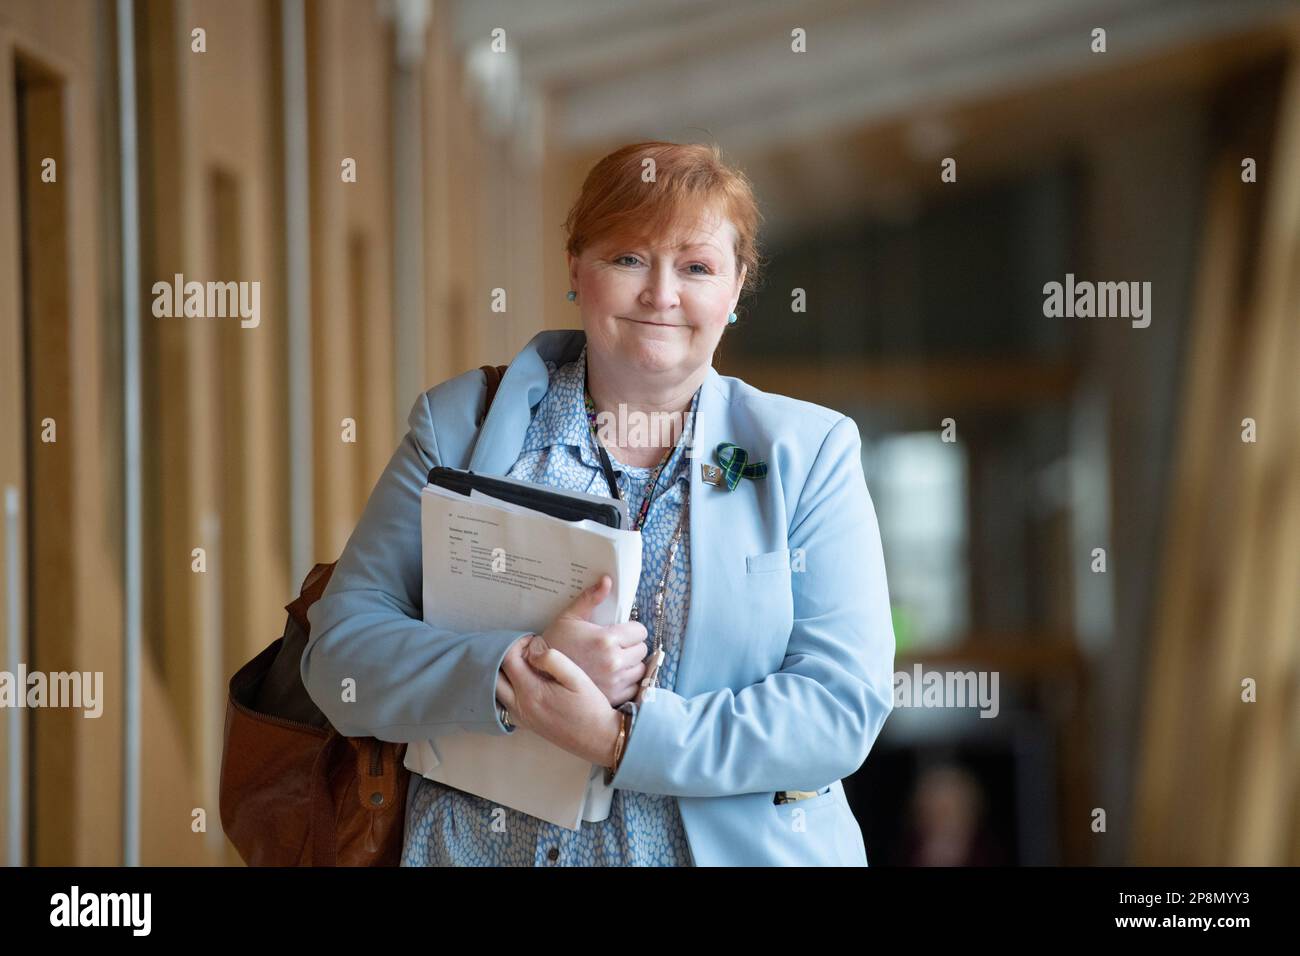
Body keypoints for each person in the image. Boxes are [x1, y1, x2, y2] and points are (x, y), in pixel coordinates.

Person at [301, 141, 896, 866]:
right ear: (576, 269)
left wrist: (620, 739)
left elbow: (839, 710)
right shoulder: (460, 426)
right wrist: (517, 670)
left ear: (736, 289)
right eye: (629, 259)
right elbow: (340, 657)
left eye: (697, 267)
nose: (661, 295)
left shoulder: (808, 455)